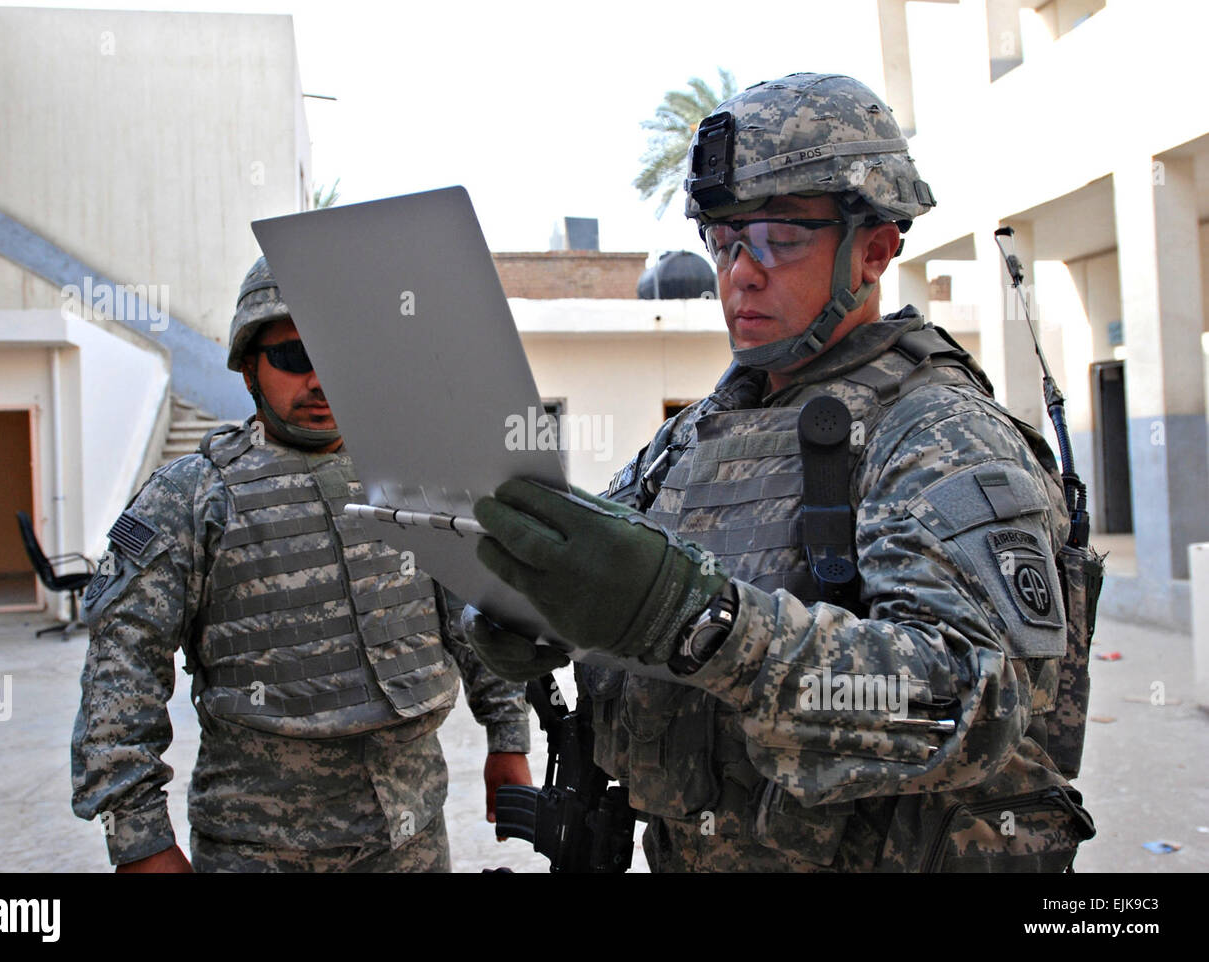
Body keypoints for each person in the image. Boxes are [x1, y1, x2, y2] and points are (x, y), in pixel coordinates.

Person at [464, 72, 1095, 872]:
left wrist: (704, 626)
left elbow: (972, 702)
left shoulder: (940, 434)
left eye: (777, 240)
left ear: (874, 248)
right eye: (724, 242)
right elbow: (603, 575)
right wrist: (531, 611)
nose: (741, 273)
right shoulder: (692, 437)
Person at [71, 256, 531, 872]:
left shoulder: (415, 482)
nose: (321, 382)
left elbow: (474, 619)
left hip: (411, 837)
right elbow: (121, 674)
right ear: (249, 370)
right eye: (293, 358)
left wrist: (508, 738)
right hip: (262, 851)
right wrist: (139, 839)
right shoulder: (192, 498)